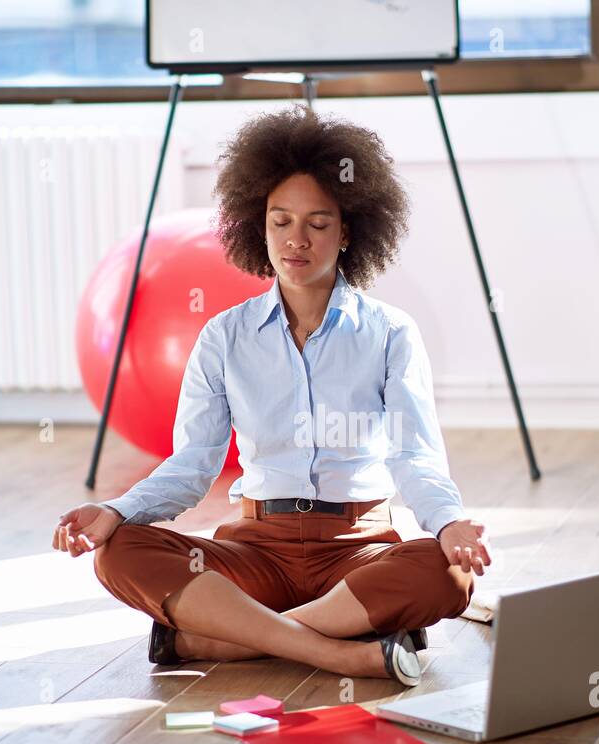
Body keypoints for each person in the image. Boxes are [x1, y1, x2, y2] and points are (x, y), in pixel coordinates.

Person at [53, 105, 490, 686]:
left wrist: (448, 523)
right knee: (120, 551)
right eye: (280, 221)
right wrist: (116, 511)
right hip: (257, 550)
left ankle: (226, 638)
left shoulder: (391, 334)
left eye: (317, 222)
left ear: (349, 230)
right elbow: (193, 465)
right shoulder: (224, 337)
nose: (296, 240)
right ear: (257, 226)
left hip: (357, 550)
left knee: (446, 571)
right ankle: (339, 649)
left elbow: (414, 457)